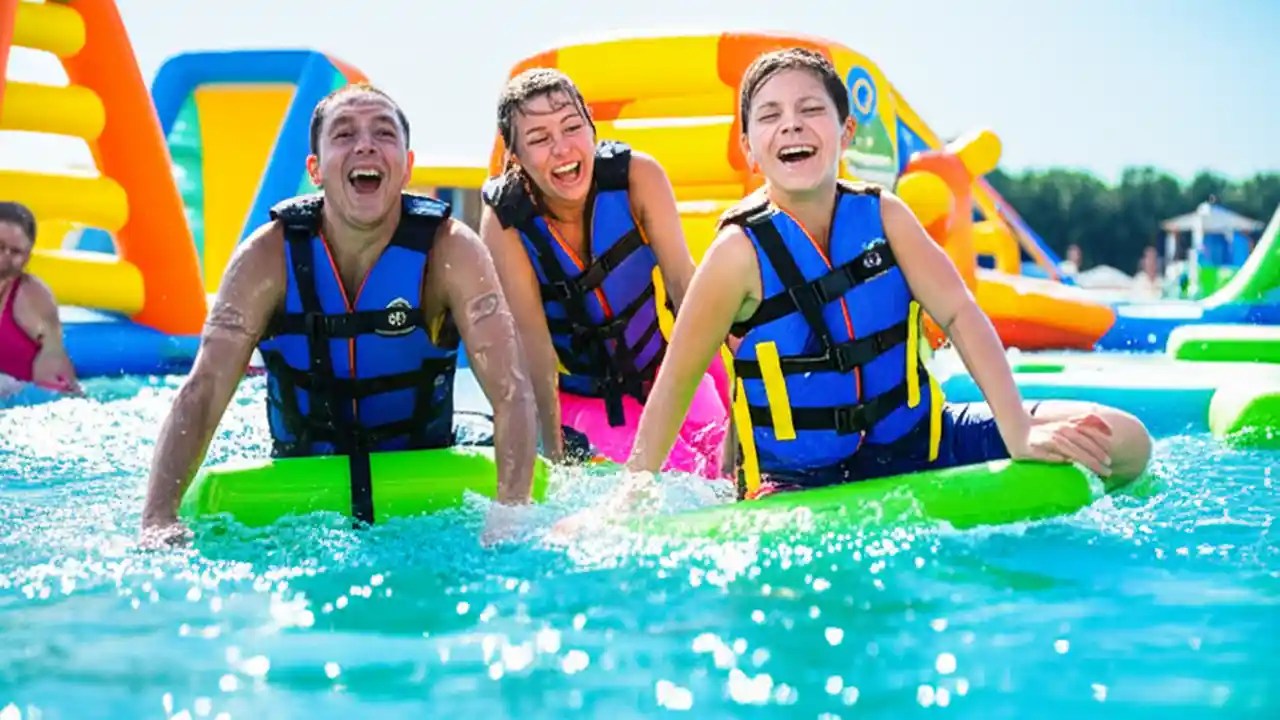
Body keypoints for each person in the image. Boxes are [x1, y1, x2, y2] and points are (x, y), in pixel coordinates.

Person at [625, 49, 1152, 497]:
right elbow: (677, 379)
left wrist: (1019, 432)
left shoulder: (887, 217)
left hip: (921, 443)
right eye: (769, 116)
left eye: (811, 109)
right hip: (796, 483)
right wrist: (631, 498)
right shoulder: (736, 253)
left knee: (1125, 440)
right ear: (749, 149)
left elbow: (962, 313)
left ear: (845, 131)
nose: (791, 123)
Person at [140, 84, 538, 542]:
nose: (365, 144)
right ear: (315, 169)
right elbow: (203, 391)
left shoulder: (450, 252)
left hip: (422, 473)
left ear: (407, 167)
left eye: (384, 133)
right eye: (344, 134)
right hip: (303, 477)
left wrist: (510, 512)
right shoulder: (265, 260)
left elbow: (511, 389)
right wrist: (158, 518)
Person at [478, 68, 728, 477]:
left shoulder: (638, 179)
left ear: (593, 131)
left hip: (665, 370)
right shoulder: (505, 219)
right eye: (539, 139)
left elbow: (687, 290)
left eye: (572, 127)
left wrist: (734, 399)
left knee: (720, 467)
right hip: (586, 397)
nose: (561, 148)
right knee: (677, 473)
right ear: (515, 158)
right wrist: (551, 455)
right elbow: (534, 349)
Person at [0, 201, 80, 393]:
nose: (5, 256)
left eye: (16, 251)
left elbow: (54, 356)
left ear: (27, 257)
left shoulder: (31, 297)